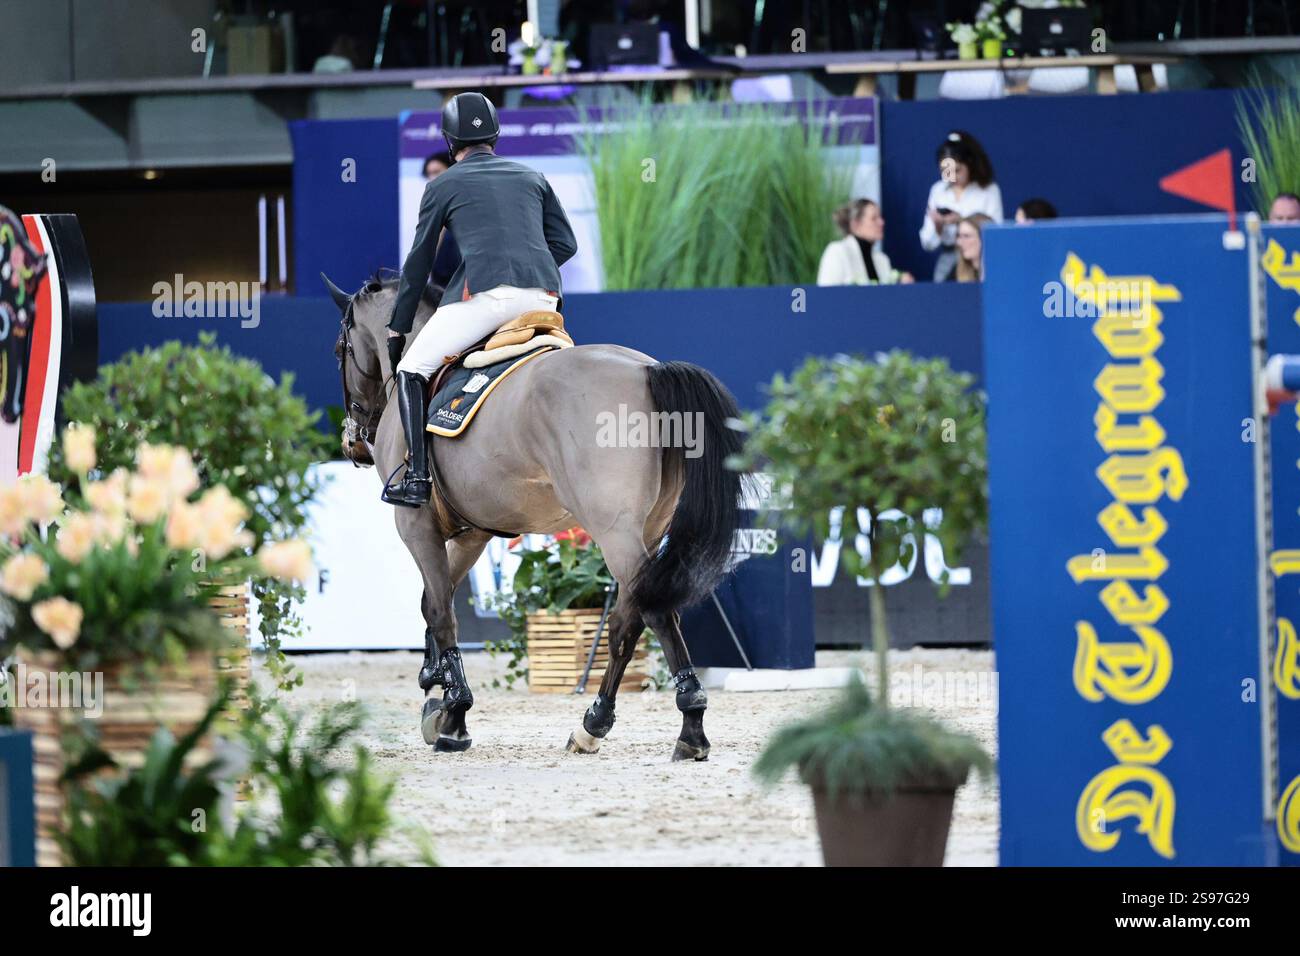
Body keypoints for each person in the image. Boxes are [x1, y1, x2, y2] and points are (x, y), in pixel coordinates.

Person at [383, 92, 578, 507]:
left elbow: (418, 264)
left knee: (412, 367)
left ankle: (417, 477)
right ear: (496, 135)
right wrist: (533, 268)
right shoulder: (532, 177)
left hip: (489, 300)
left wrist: (399, 326)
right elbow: (566, 243)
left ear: (450, 141)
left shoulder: (442, 185)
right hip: (544, 300)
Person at [920, 131, 1002, 282]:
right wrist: (938, 227)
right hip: (948, 259)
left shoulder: (988, 190)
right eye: (946, 171)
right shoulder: (938, 190)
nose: (952, 177)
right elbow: (927, 242)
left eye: (957, 170)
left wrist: (961, 220)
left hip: (981, 262)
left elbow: (996, 233)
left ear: (970, 164)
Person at [817, 199, 914, 285]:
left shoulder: (882, 260)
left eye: (880, 217)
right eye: (874, 218)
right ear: (855, 224)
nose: (881, 222)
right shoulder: (837, 251)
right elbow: (826, 296)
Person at [955, 214, 992, 283]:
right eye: (959, 236)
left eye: (966, 236)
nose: (959, 242)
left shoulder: (1002, 275)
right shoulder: (954, 272)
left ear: (984, 239)